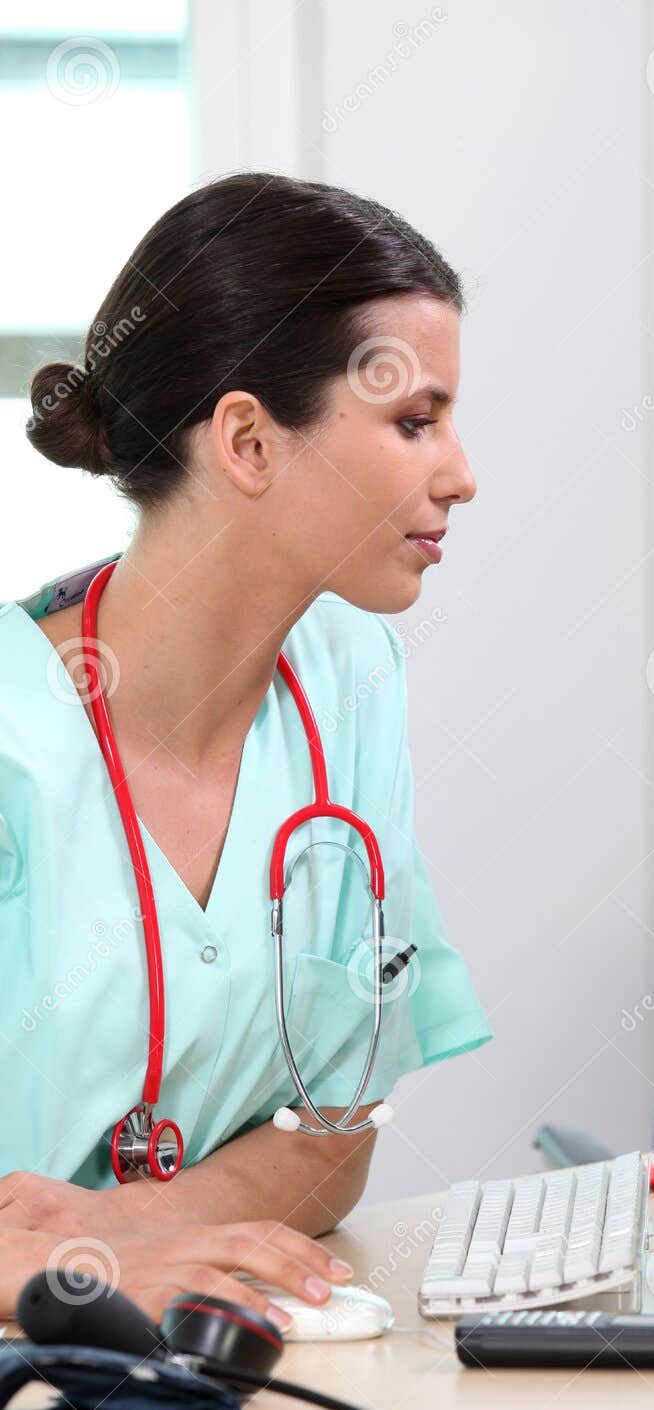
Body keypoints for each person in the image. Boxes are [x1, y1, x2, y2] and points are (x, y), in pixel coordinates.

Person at [0, 171, 493, 1331]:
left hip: (204, 1349)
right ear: (248, 441)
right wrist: (67, 1277)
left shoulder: (349, 682)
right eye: (412, 422)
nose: (460, 475)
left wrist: (132, 1223)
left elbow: (335, 1132)